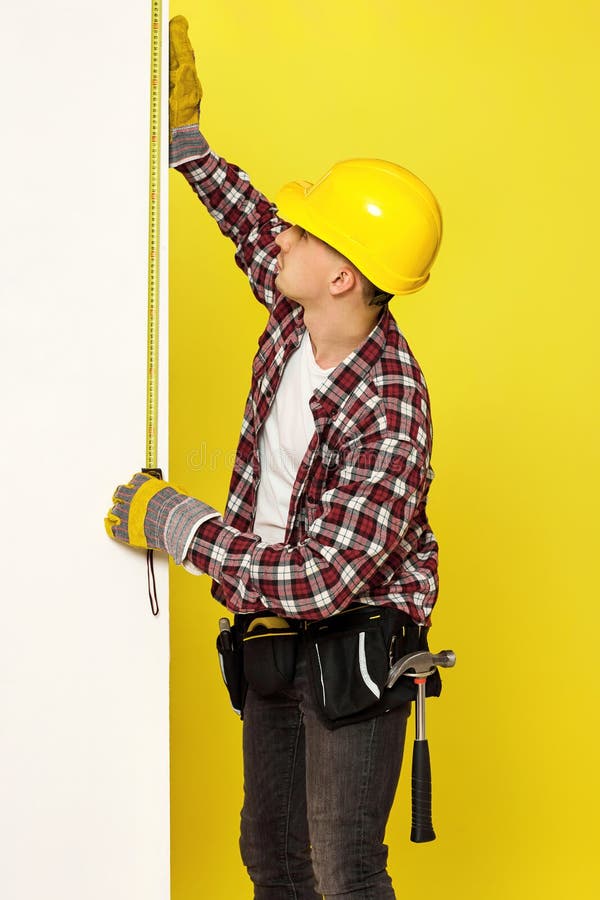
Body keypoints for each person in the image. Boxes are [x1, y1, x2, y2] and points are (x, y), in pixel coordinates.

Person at [105, 16, 443, 899]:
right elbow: (250, 221)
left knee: (343, 871)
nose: (282, 236)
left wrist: (180, 526)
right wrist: (187, 144)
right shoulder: (304, 311)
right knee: (274, 858)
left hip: (350, 644)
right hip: (273, 639)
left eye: (305, 232)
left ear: (344, 277)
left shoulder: (391, 411)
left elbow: (323, 579)